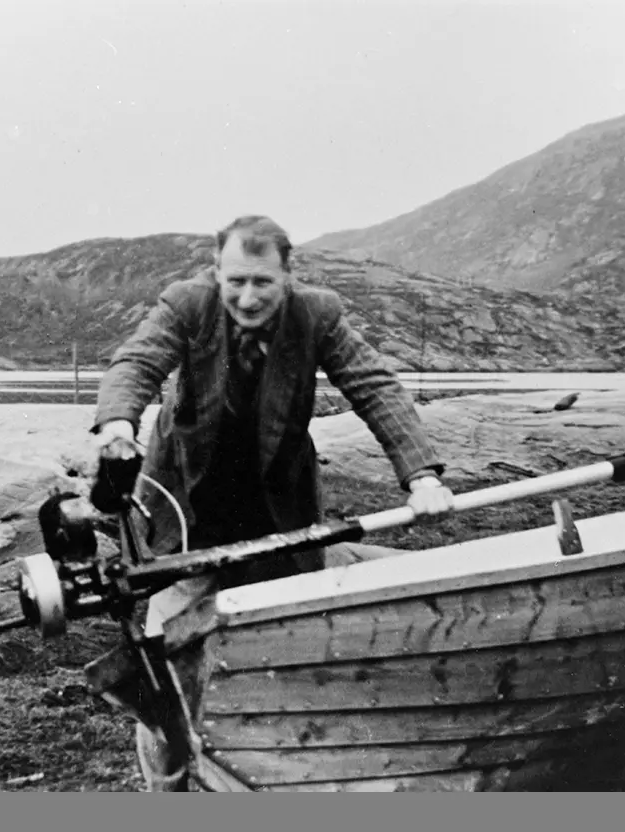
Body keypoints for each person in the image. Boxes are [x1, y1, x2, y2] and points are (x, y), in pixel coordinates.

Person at [89, 214, 454, 791]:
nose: (248, 297)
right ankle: (169, 792)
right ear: (216, 273)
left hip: (278, 511)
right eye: (235, 281)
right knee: (165, 663)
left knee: (286, 643)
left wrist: (422, 476)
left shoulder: (317, 314)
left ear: (289, 276)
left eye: (263, 282)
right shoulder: (187, 304)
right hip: (186, 512)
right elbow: (137, 362)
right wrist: (116, 425)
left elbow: (376, 387)